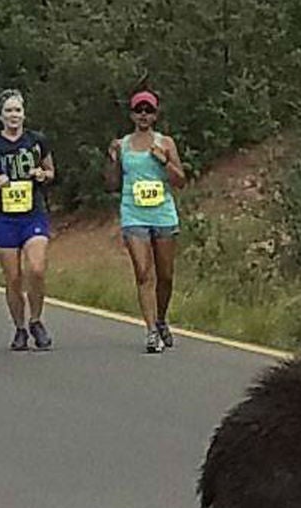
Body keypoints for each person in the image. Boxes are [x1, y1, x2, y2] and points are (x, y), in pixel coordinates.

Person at [0, 90, 55, 351]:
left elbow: (51, 171)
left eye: (17, 110)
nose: (13, 115)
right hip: (3, 217)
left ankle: (36, 320)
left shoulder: (37, 141)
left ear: (24, 114)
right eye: (8, 111)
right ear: (1, 116)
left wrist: (42, 174)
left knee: (37, 269)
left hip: (33, 214)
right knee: (14, 278)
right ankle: (19, 328)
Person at [105, 90, 186, 353]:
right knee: (143, 272)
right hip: (134, 213)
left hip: (162, 212)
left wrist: (164, 162)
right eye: (138, 110)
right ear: (131, 114)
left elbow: (180, 181)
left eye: (148, 110)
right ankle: (151, 331)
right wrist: (113, 161)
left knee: (165, 275)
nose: (143, 115)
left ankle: (161, 319)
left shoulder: (166, 143)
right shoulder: (123, 144)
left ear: (155, 115)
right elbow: (112, 184)